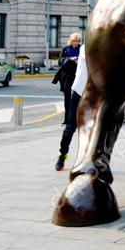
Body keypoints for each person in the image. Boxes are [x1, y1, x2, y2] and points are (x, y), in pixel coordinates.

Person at [55, 42, 88, 172]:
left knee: (91, 129)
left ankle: (86, 159)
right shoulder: (84, 49)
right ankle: (63, 154)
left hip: (94, 95)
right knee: (70, 128)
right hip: (79, 92)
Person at [52, 33, 82, 127]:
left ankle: (77, 118)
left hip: (78, 75)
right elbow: (60, 61)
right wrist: (70, 59)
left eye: (77, 41)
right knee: (67, 98)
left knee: (77, 98)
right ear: (71, 41)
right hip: (66, 76)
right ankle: (67, 119)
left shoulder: (82, 49)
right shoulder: (65, 49)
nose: (75, 43)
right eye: (74, 41)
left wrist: (78, 60)